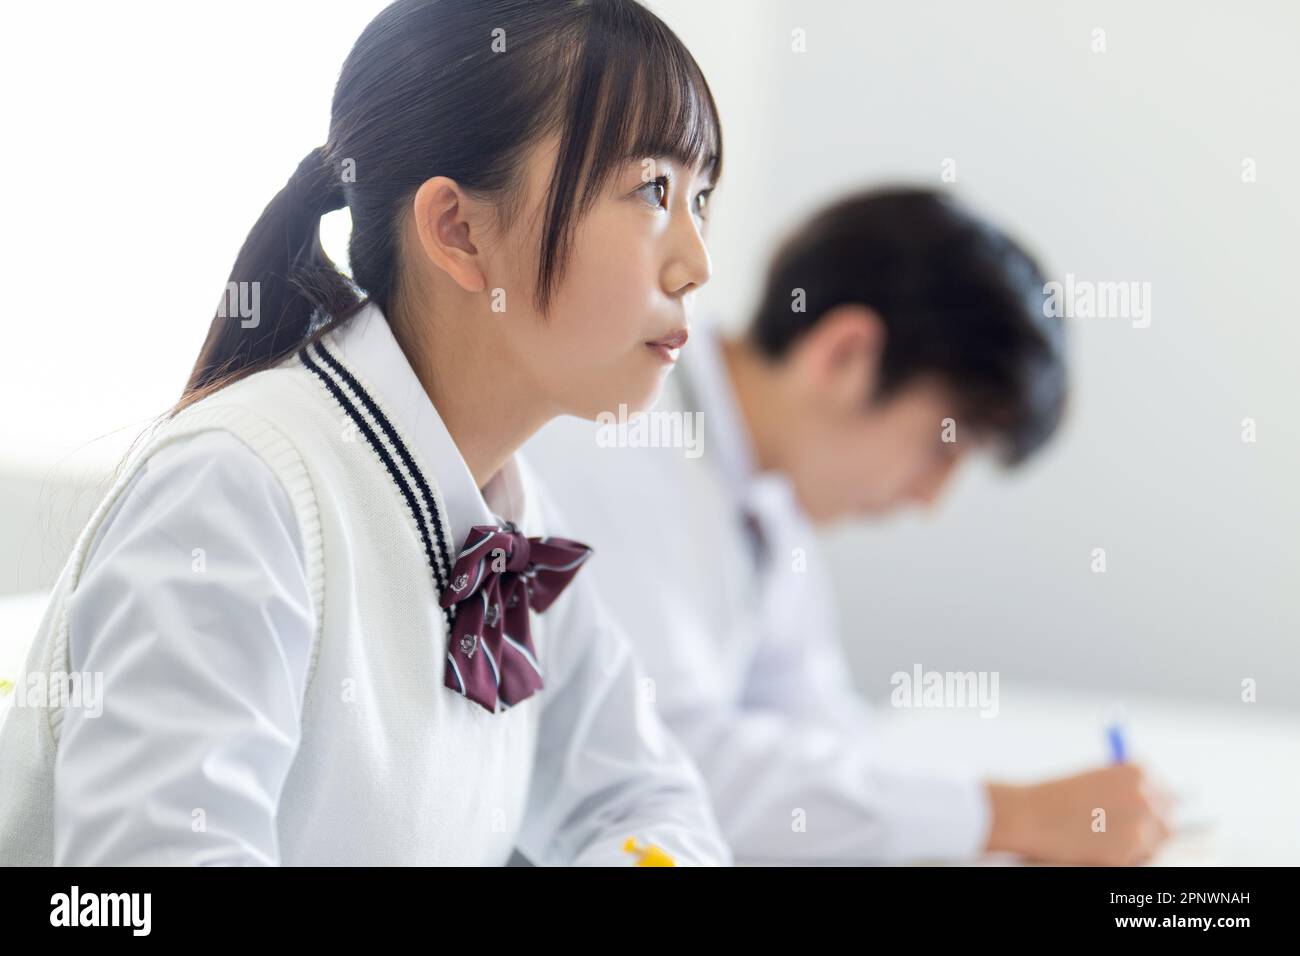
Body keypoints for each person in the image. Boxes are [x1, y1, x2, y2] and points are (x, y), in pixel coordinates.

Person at [0, 0, 731, 866]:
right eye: (653, 190)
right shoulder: (242, 488)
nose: (698, 260)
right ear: (459, 231)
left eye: (701, 197)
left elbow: (649, 802)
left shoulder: (510, 517)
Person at [525, 187, 1173, 865]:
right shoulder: (619, 437)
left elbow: (819, 728)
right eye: (943, 448)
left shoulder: (765, 494)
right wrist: (1009, 816)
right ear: (845, 355)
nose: (930, 501)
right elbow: (660, 770)